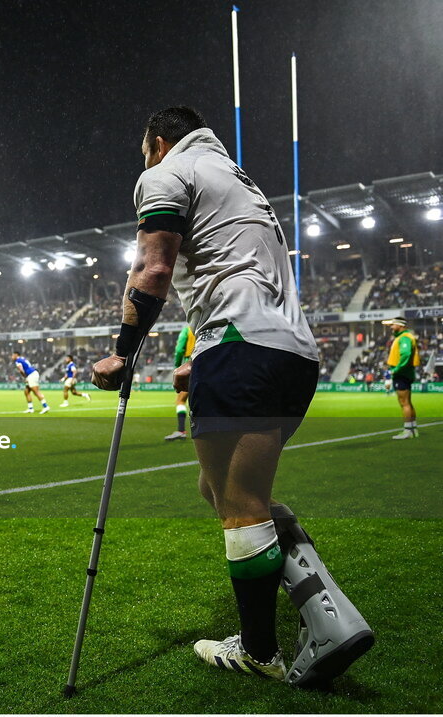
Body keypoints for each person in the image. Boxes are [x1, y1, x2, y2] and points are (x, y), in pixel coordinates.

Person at [92, 107, 371, 684]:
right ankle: (329, 617)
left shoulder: (168, 171)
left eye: (146, 152)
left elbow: (153, 267)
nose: (144, 163)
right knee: (217, 488)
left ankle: (260, 651)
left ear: (159, 143)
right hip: (293, 354)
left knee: (240, 501)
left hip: (241, 345)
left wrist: (123, 349)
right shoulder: (236, 178)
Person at [383, 318, 419, 439]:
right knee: (408, 402)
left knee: (404, 403)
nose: (391, 327)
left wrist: (396, 369)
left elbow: (406, 354)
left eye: (393, 325)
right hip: (406, 373)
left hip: (402, 374)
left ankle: (407, 431)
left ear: (400, 325)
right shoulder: (405, 336)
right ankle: (413, 429)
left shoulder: (404, 338)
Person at [164, 325, 195, 440]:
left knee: (180, 401)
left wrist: (177, 367)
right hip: (210, 363)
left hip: (191, 365)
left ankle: (181, 430)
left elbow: (179, 349)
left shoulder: (187, 329)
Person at [11, 350, 49, 414]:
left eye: (12, 355)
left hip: (31, 375)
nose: (12, 357)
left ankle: (46, 406)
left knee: (36, 392)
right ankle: (30, 409)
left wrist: (25, 377)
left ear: (16, 355)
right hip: (32, 374)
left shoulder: (18, 361)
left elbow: (21, 370)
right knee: (26, 391)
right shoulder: (22, 359)